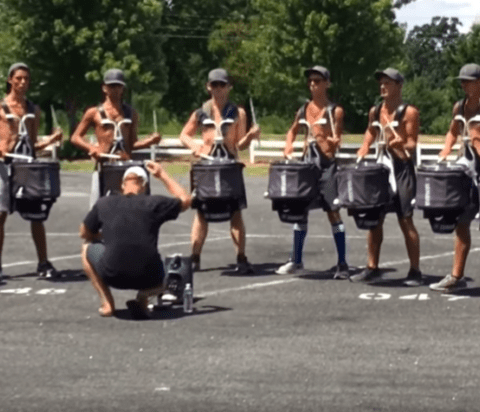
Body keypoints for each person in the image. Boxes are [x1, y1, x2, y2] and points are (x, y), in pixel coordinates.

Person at [0, 62, 64, 282]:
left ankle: (43, 262)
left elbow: (32, 144)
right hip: (6, 165)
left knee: (37, 215)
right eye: (19, 78)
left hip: (27, 166)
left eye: (26, 79)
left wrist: (50, 140)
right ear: (10, 80)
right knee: (0, 214)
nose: (23, 82)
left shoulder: (34, 109)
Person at [80, 161, 193, 319]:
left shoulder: (104, 203)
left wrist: (101, 237)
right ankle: (144, 296)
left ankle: (107, 303)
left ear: (123, 185)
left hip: (113, 274)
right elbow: (186, 200)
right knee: (167, 271)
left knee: (86, 248)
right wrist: (162, 174)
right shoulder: (154, 203)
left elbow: (84, 232)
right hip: (149, 277)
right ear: (144, 186)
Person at [429, 63, 480, 296]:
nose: (464, 85)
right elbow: (453, 130)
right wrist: (446, 148)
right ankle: (456, 276)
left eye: (468, 81)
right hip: (465, 170)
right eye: (462, 81)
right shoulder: (459, 106)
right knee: (461, 224)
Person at [179, 68, 261, 274]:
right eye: (214, 85)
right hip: (207, 165)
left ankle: (241, 258)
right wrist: (195, 147)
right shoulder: (201, 112)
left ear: (229, 87)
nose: (218, 89)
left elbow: (240, 144)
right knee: (201, 213)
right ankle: (195, 257)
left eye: (222, 85)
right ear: (208, 87)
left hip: (229, 166)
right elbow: (184, 135)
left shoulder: (238, 113)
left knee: (235, 212)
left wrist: (251, 136)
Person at [274, 66, 351, 279]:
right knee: (300, 210)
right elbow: (292, 130)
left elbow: (334, 145)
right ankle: (296, 260)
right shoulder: (303, 109)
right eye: (310, 81)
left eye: (317, 80)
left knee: (332, 211)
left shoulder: (334, 111)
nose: (313, 84)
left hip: (326, 166)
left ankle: (342, 263)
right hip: (306, 165)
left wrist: (326, 139)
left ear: (327, 83)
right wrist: (288, 145)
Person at [354, 68, 423, 285]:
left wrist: (400, 142)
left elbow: (412, 143)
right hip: (381, 167)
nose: (383, 86)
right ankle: (372, 266)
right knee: (374, 219)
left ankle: (415, 270)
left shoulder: (409, 112)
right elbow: (370, 131)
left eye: (388, 83)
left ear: (399, 86)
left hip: (401, 168)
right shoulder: (375, 111)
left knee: (405, 219)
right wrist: (365, 146)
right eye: (381, 83)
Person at [69, 68, 162, 201]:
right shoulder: (94, 112)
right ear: (104, 88)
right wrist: (92, 148)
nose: (115, 89)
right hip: (104, 165)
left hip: (126, 165)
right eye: (112, 86)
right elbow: (75, 137)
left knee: (131, 206)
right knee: (100, 206)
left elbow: (132, 144)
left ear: (123, 88)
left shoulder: (131, 113)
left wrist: (150, 141)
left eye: (118, 86)